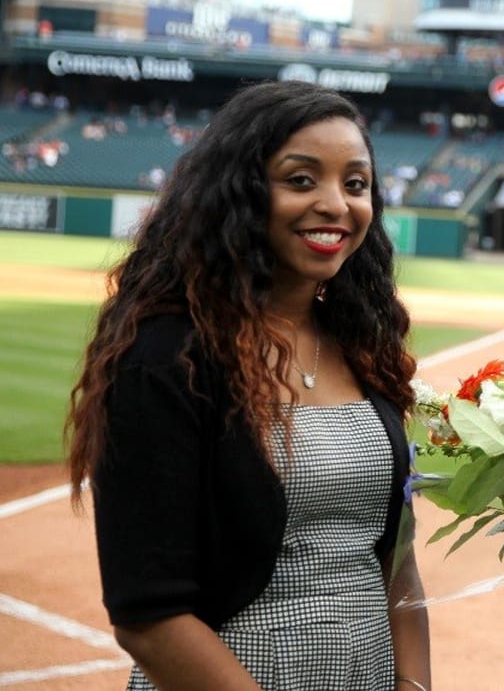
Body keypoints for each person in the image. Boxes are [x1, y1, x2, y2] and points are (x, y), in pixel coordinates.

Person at [65, 81, 432, 691]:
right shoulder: (167, 358)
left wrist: (413, 686)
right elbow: (149, 616)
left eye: (356, 183)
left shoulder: (364, 347)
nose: (336, 204)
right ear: (239, 191)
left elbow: (398, 560)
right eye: (301, 179)